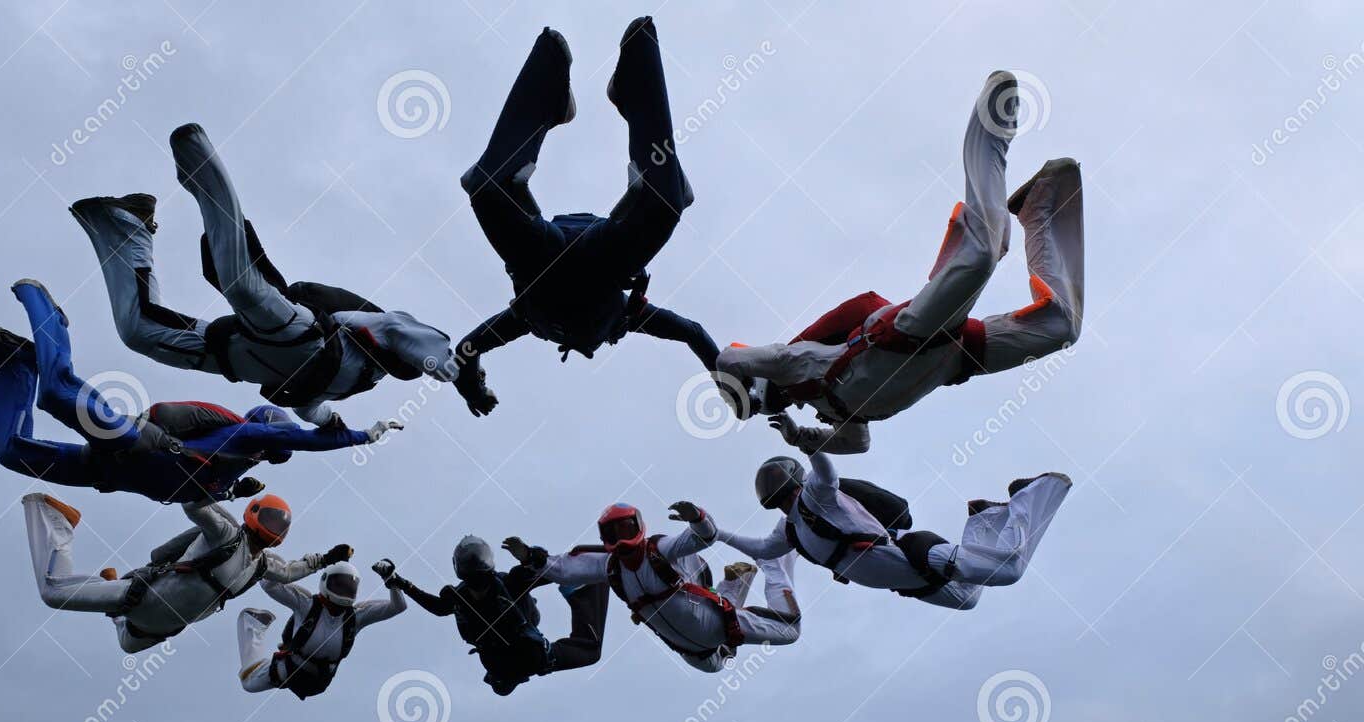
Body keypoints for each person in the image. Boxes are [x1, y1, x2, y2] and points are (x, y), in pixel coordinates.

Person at [717, 72, 1083, 444]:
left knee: (982, 255)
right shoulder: (831, 406)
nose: (779, 401)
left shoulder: (797, 361)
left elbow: (730, 358)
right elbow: (858, 444)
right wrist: (799, 437)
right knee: (1061, 328)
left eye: (769, 396)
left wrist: (731, 389)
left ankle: (992, 129)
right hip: (953, 362)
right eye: (774, 403)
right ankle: (1039, 208)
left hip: (910, 333)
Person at [70, 122, 457, 428]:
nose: (407, 367)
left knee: (137, 331)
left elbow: (308, 410)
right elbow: (384, 328)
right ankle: (201, 171)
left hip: (235, 357)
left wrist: (331, 422)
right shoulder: (381, 336)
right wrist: (458, 373)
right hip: (298, 334)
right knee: (241, 285)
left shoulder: (355, 383)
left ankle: (126, 226)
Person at [451, 18, 719, 416]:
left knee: (486, 189)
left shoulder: (524, 320)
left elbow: (466, 350)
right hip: (604, 256)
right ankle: (636, 92)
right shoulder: (627, 318)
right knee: (665, 206)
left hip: (543, 255)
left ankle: (547, 96)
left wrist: (473, 389)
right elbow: (691, 333)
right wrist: (729, 382)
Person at [0, 281, 402, 504]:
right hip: (131, 443)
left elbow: (198, 492)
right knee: (56, 393)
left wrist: (237, 493)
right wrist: (364, 436)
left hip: (106, 472)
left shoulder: (228, 471)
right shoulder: (243, 435)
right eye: (273, 449)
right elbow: (296, 439)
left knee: (13, 453)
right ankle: (48, 315)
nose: (269, 455)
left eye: (273, 458)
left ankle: (10, 360)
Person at [709, 414, 1071, 610]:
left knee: (1009, 570)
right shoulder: (790, 531)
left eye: (774, 479)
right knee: (970, 598)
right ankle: (983, 517)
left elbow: (826, 472)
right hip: (909, 582)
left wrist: (802, 438)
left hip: (915, 554)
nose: (773, 486)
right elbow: (759, 550)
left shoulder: (816, 496)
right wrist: (711, 531)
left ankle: (1029, 494)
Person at [22, 489, 349, 653]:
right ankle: (54, 518)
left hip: (161, 625)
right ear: (254, 514)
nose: (274, 528)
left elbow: (290, 571)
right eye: (271, 519)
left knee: (126, 645)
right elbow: (193, 504)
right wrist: (228, 491)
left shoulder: (262, 564)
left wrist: (324, 560)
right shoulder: (226, 533)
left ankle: (109, 590)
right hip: (141, 596)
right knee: (54, 593)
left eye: (279, 525)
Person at [502, 503, 800, 674]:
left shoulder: (659, 548)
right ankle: (735, 582)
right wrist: (531, 557)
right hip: (694, 652)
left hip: (713, 615)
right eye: (612, 533)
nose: (621, 540)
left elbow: (702, 539)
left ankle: (772, 565)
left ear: (639, 527)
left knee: (791, 632)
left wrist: (698, 518)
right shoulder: (609, 567)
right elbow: (565, 570)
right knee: (714, 667)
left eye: (626, 529)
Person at [374, 535, 609, 695]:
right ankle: (582, 589)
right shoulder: (502, 583)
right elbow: (550, 570)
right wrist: (531, 557)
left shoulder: (465, 594)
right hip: (524, 658)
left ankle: (582, 586)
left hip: (507, 663)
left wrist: (399, 582)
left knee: (503, 684)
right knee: (590, 650)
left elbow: (436, 607)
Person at [236, 556, 407, 698]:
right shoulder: (307, 603)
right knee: (248, 683)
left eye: (349, 587)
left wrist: (391, 580)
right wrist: (311, 563)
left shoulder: (357, 616)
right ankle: (253, 624)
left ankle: (256, 625)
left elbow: (398, 606)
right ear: (325, 582)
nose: (344, 590)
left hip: (316, 682)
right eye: (339, 584)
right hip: (286, 670)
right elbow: (268, 584)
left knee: (250, 682)